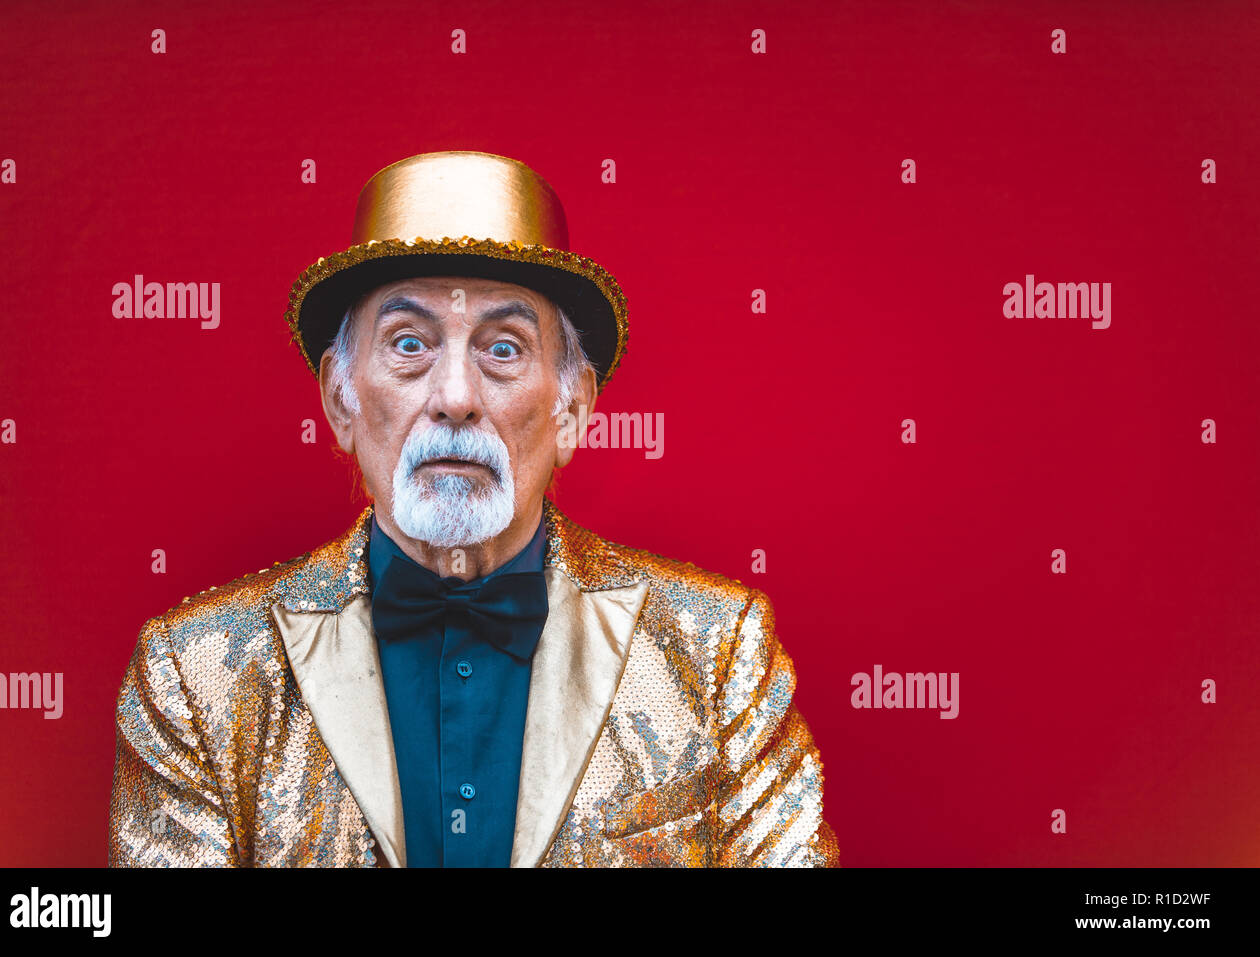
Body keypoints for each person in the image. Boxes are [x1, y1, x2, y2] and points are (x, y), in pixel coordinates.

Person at [108, 150, 840, 867]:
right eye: (408, 342)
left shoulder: (718, 657)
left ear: (573, 410)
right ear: (341, 400)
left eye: (503, 348)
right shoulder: (196, 675)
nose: (455, 396)